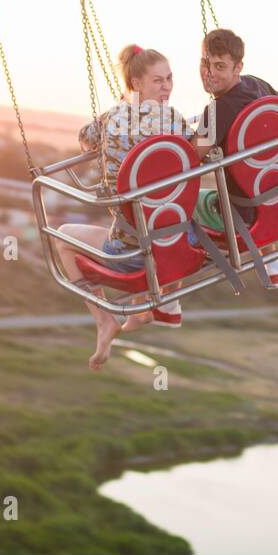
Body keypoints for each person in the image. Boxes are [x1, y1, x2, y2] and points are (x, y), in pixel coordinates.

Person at [53, 45, 194, 371]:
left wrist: (120, 107)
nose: (167, 87)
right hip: (176, 240)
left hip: (130, 248)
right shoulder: (173, 121)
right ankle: (158, 303)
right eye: (158, 81)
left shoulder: (112, 119)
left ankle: (104, 319)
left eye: (169, 79)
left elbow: (85, 139)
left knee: (62, 237)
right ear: (138, 83)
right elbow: (193, 147)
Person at [192, 27, 278, 288]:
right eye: (206, 64)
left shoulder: (217, 112)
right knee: (250, 179)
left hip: (239, 211)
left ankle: (192, 259)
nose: (210, 73)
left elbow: (191, 157)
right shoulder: (256, 84)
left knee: (187, 199)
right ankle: (273, 265)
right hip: (274, 194)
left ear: (237, 67)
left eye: (220, 66)